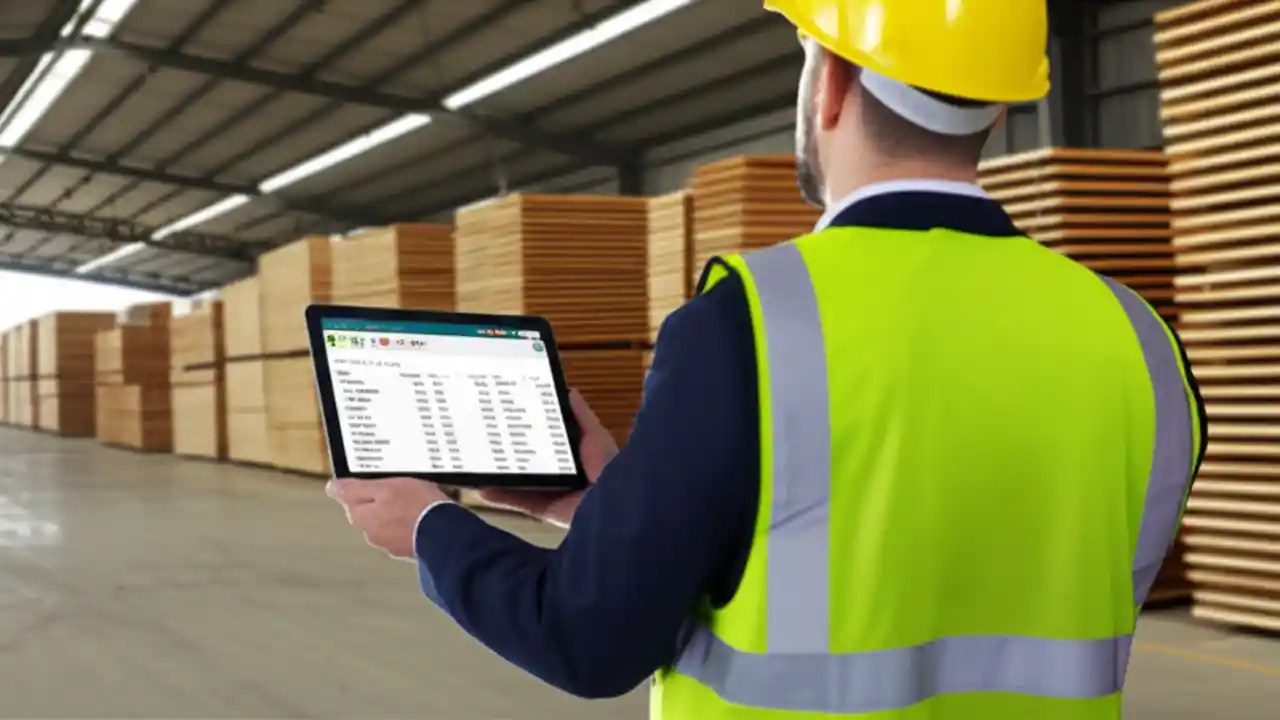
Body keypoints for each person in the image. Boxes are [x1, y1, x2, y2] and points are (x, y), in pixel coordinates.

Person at [328, 1, 1206, 717]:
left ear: (830, 82)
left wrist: (428, 530)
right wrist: (616, 509)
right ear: (999, 106)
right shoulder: (1136, 339)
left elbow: (589, 640)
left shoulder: (753, 322)